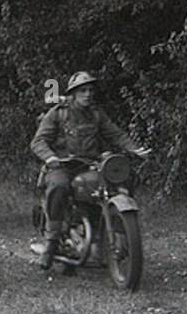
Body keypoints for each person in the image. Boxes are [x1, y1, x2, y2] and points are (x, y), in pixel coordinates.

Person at [29, 71, 150, 270]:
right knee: (58, 186)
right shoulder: (58, 113)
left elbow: (115, 134)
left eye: (90, 90)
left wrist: (134, 148)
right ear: (73, 93)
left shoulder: (96, 113)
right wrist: (50, 157)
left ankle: (105, 240)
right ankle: (51, 242)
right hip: (62, 165)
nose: (88, 94)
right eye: (83, 91)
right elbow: (38, 141)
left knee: (113, 184)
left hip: (88, 164)